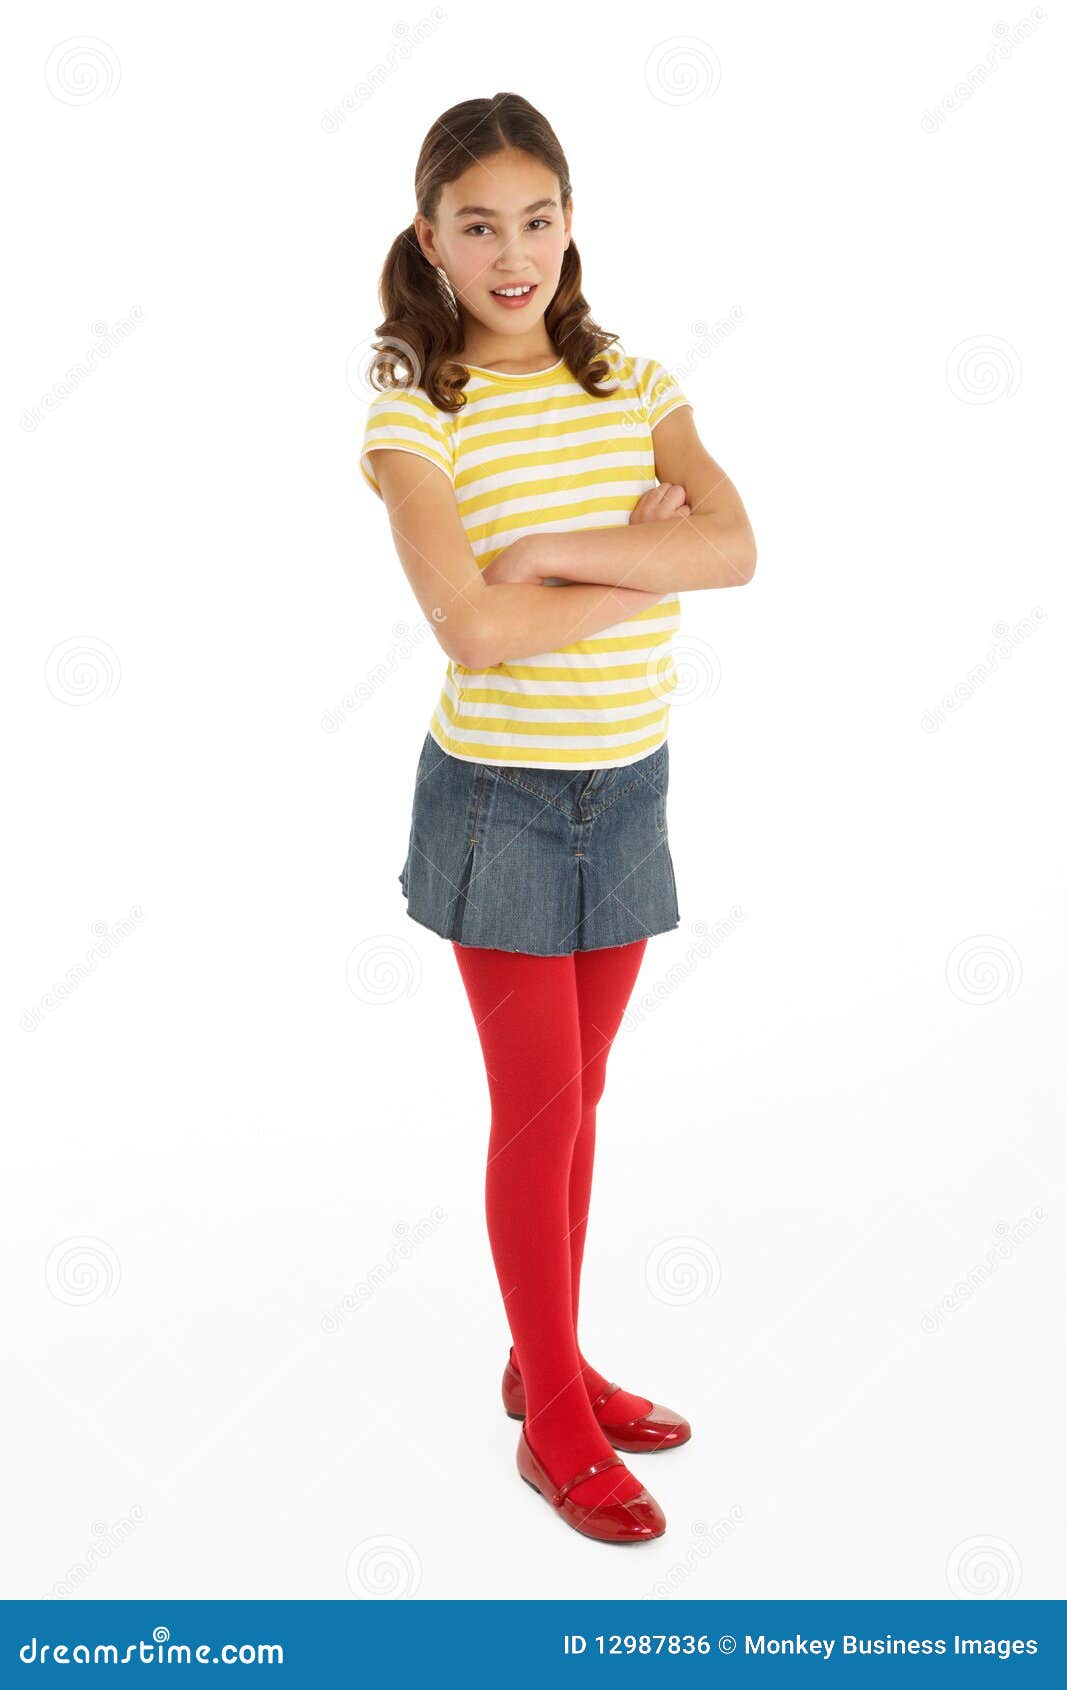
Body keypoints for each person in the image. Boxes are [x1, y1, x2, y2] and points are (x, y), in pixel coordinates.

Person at [359, 93, 756, 1543]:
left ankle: (551, 1360)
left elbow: (739, 544)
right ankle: (562, 1431)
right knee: (535, 1112)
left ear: (570, 221)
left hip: (629, 784)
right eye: (479, 226)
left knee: (581, 1100)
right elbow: (470, 630)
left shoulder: (636, 379)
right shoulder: (414, 413)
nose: (513, 253)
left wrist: (546, 551)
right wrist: (644, 569)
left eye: (538, 219)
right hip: (503, 807)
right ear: (433, 240)